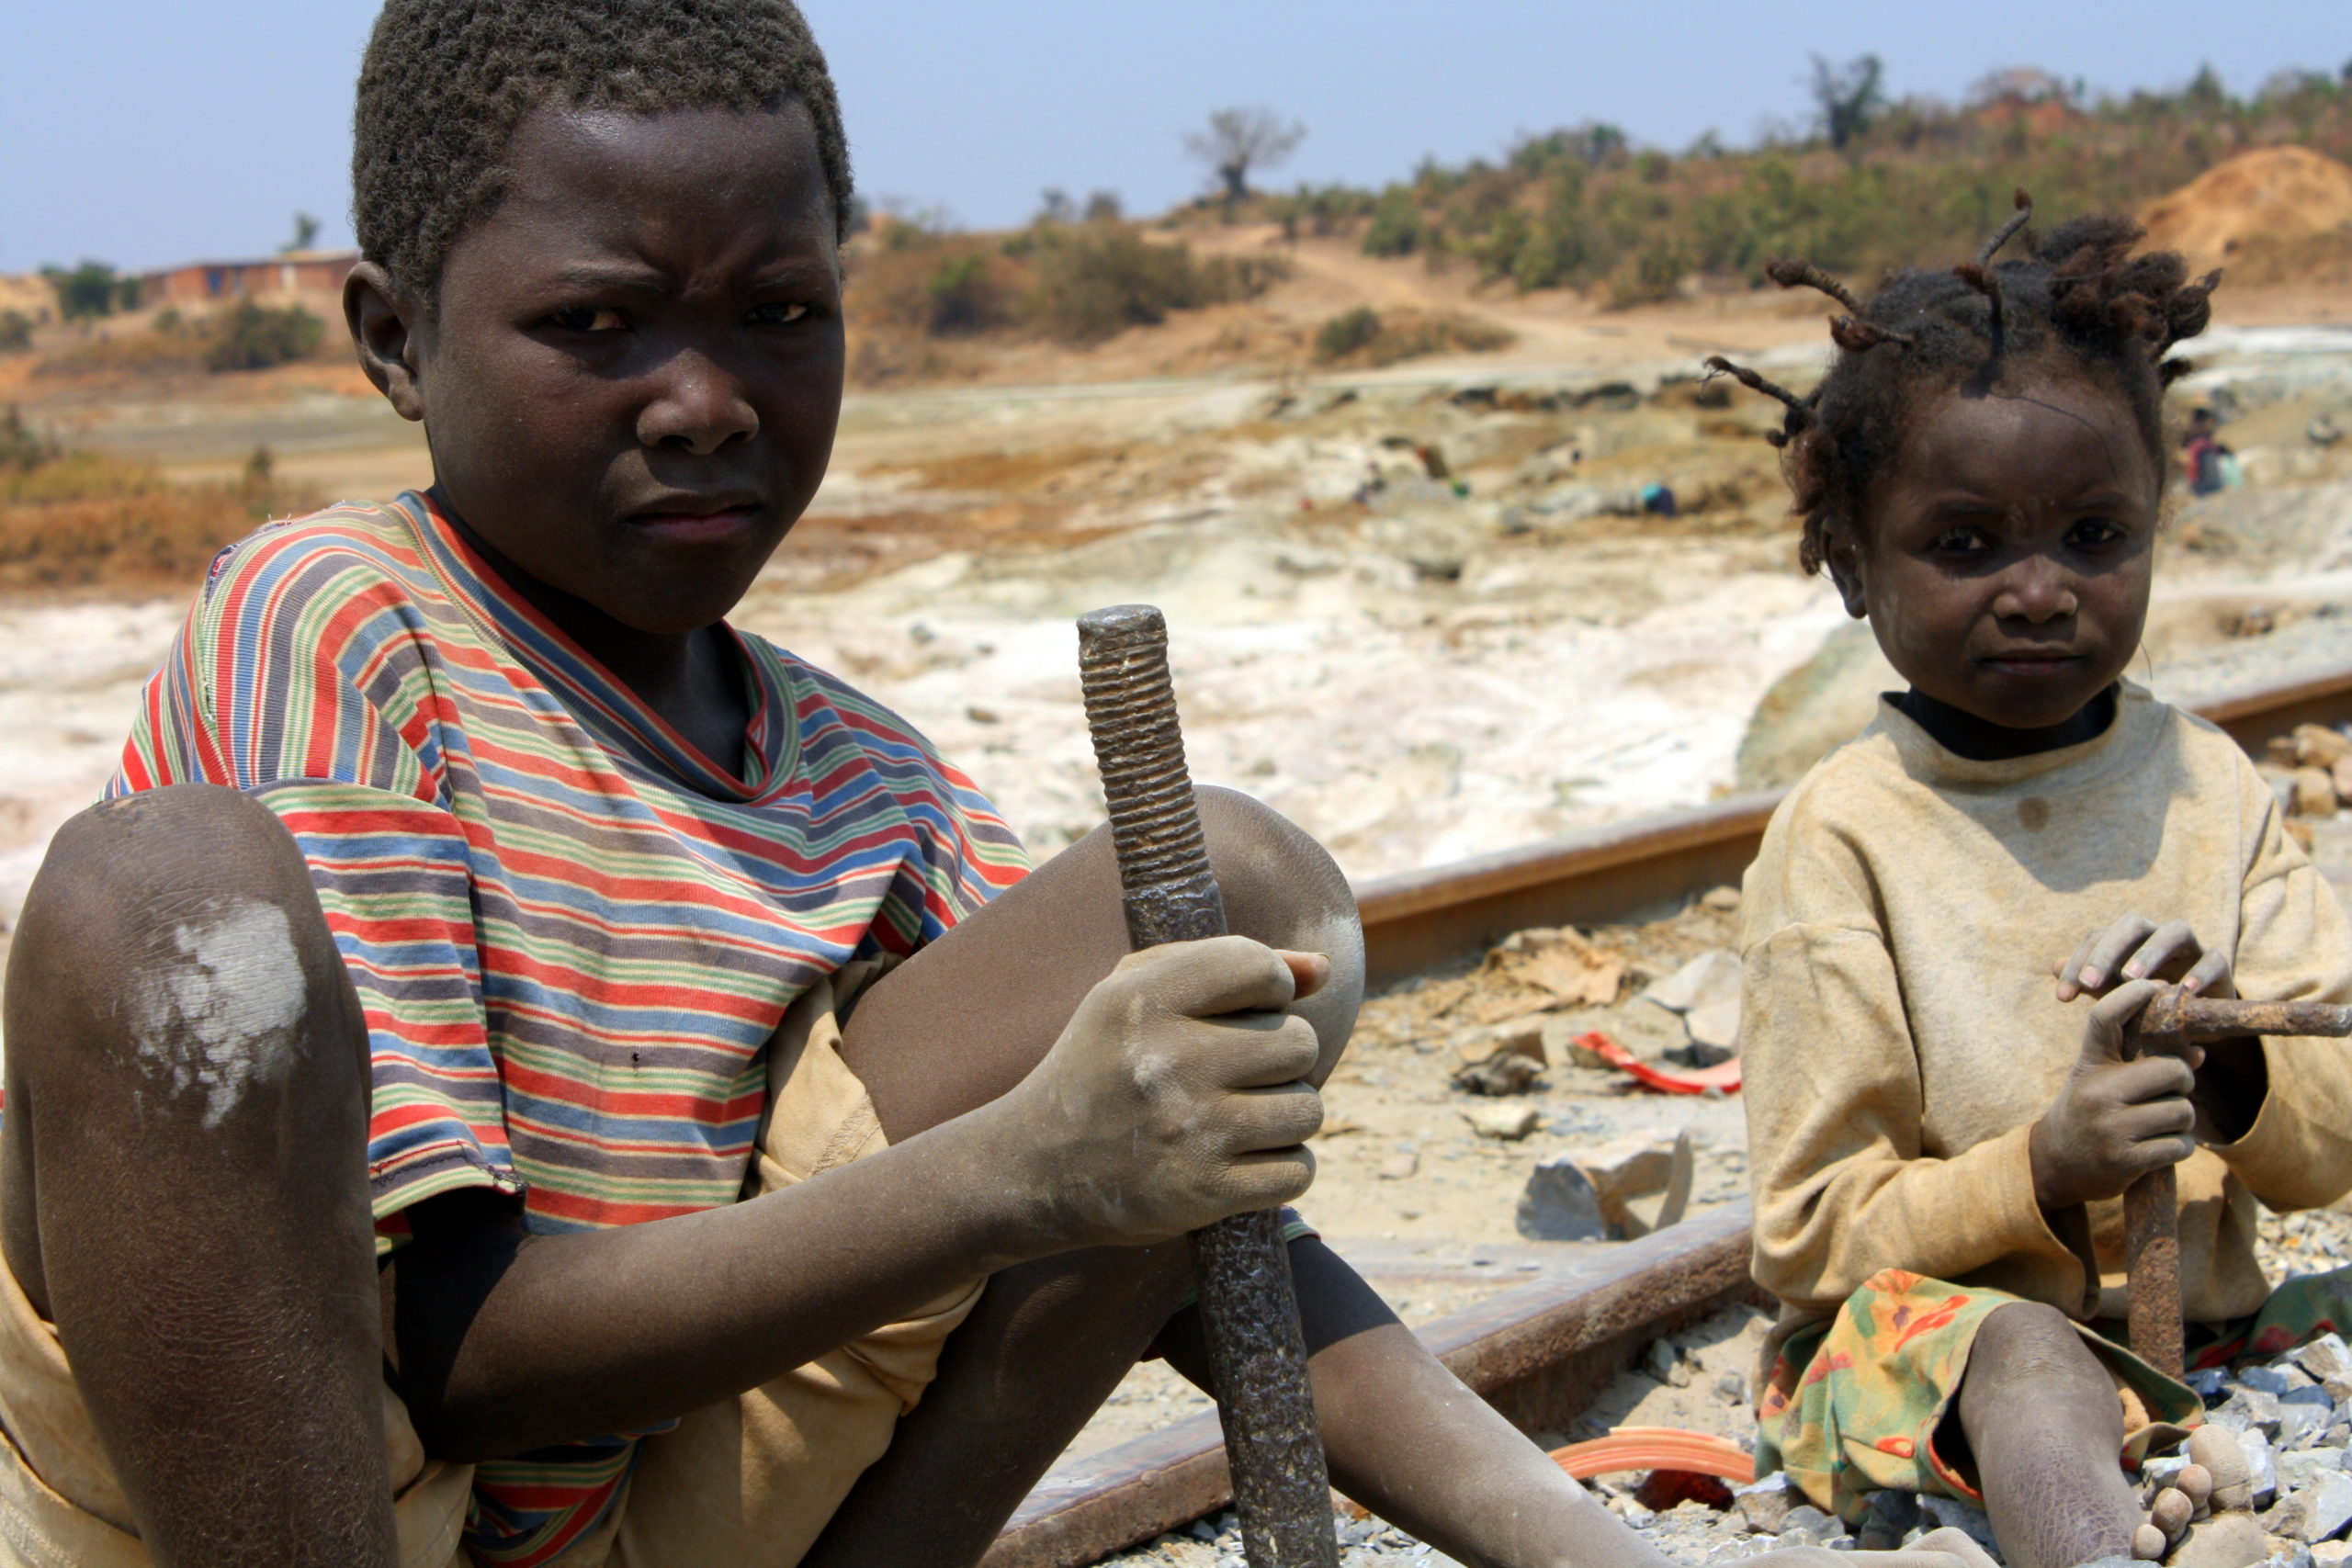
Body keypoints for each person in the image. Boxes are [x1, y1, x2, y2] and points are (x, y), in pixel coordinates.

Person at [0, 6, 1980, 1568]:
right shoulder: (339, 622)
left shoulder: (851, 771)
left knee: (1223, 902)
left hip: (669, 1517)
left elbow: (1195, 1217)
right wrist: (1023, 1163)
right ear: (390, 337)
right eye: (594, 326)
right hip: (312, 1505)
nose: (702, 397)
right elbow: (467, 1356)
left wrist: (1577, 1544)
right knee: (159, 907)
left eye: (777, 314)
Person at [1713, 208, 2352, 1568]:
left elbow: (2338, 1149)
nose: (2042, 591)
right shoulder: (1844, 842)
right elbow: (1809, 1243)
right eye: (1965, 546)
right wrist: (2041, 1167)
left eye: (2095, 533)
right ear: (1849, 562)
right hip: (1930, 1349)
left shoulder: (2214, 788)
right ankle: (2095, 1548)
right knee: (2025, 1355)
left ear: (2158, 527)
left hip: (2216, 1334)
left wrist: (2234, 1061)